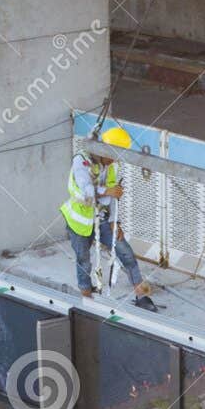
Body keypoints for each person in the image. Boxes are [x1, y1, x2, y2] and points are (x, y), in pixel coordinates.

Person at [61, 126, 159, 312]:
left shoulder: (112, 165)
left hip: (102, 219)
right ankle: (86, 295)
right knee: (83, 260)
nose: (115, 160)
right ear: (104, 150)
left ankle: (141, 294)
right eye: (114, 155)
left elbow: (114, 197)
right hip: (79, 222)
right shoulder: (81, 162)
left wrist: (115, 222)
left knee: (125, 251)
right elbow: (85, 193)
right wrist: (107, 191)